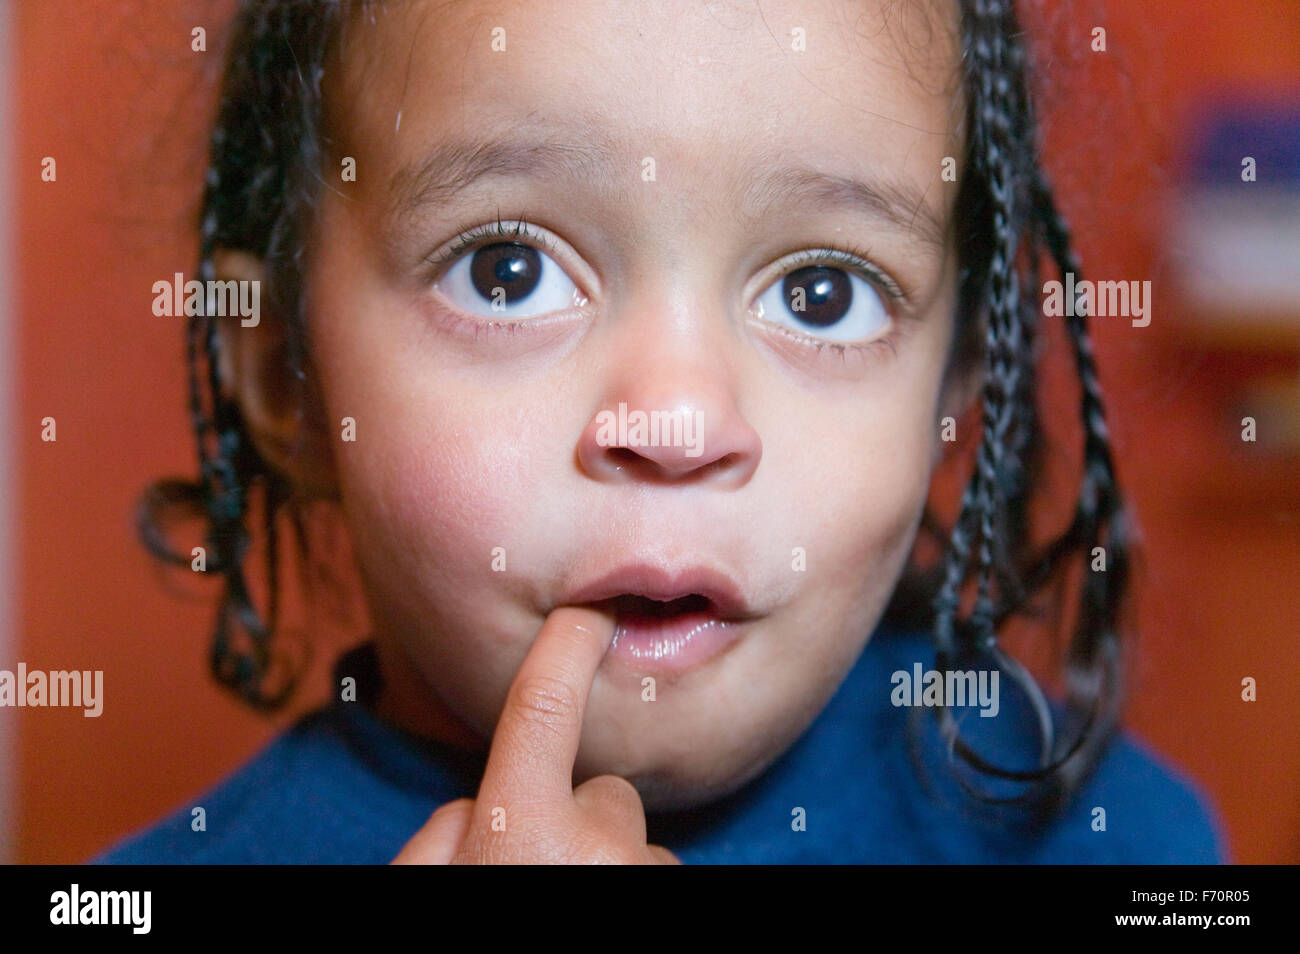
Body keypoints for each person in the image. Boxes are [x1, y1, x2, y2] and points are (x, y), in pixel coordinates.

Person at [93, 0, 1224, 864]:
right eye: (509, 271)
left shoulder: (1116, 841)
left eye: (822, 295)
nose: (677, 424)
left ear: (954, 384)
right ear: (289, 381)